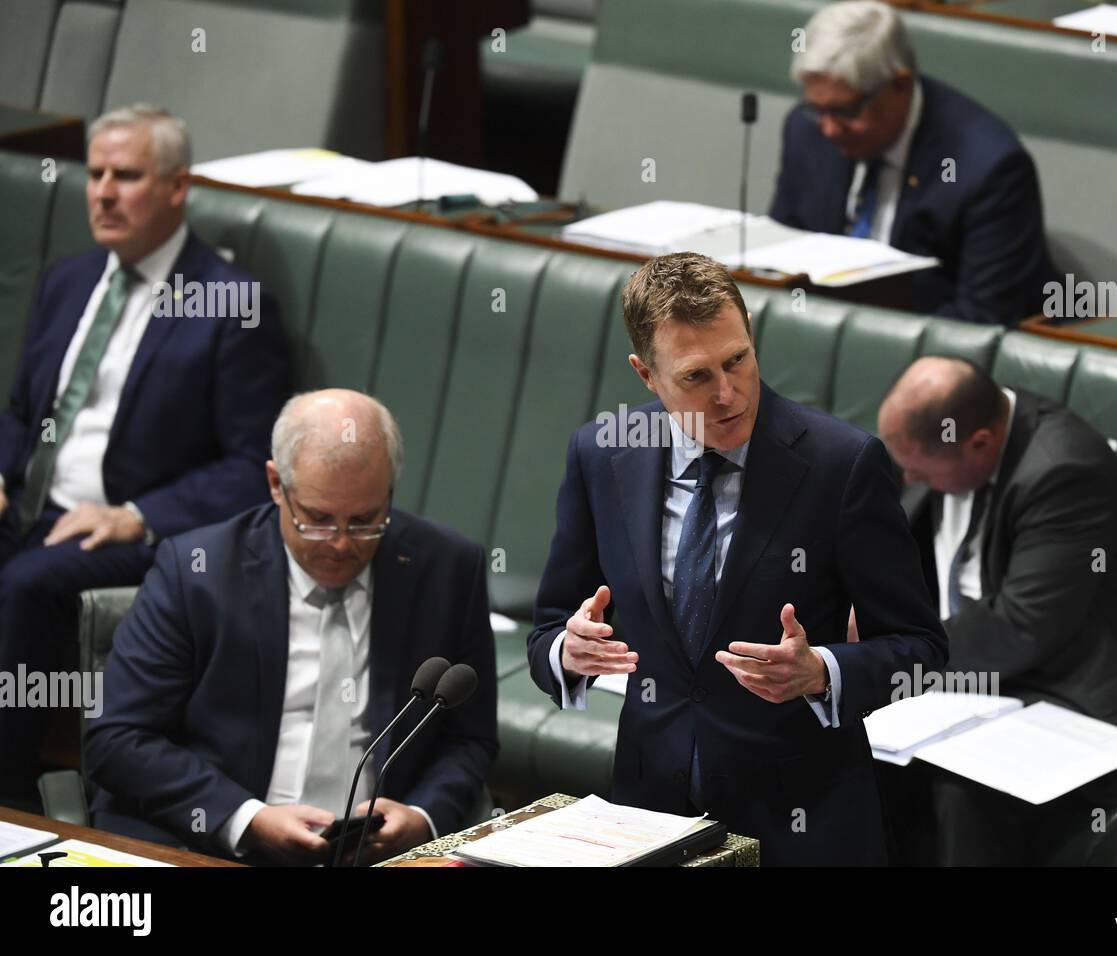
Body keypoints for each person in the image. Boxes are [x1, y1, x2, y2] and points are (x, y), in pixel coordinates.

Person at [526, 252, 946, 865]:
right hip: (651, 816)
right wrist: (571, 651)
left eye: (738, 360)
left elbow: (922, 648)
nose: (728, 394)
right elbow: (549, 629)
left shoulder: (842, 465)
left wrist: (821, 671)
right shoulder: (602, 455)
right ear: (646, 374)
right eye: (696, 376)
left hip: (803, 822)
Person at [0, 104, 289, 805]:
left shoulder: (232, 305)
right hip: (29, 507)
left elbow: (252, 464)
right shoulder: (68, 280)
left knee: (26, 584)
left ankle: (7, 798)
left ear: (176, 186)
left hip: (128, 527)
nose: (102, 191)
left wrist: (136, 515)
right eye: (95, 173)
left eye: (125, 176)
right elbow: (20, 414)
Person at [84, 391, 498, 865]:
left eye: (365, 521)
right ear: (276, 484)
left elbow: (470, 738)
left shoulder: (447, 569)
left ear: (389, 493)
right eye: (318, 520)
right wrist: (247, 818)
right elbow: (116, 739)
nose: (342, 545)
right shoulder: (195, 571)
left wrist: (421, 816)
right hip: (214, 847)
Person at [874, 355, 1117, 864]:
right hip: (975, 684)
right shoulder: (965, 426)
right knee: (847, 750)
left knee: (967, 787)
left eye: (917, 468)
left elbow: (1022, 627)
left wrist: (898, 652)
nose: (906, 476)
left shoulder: (1063, 472)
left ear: (980, 445)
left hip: (1074, 691)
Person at [770, 1, 1057, 326]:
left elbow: (982, 320)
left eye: (846, 111)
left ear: (900, 85)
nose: (829, 129)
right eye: (816, 109)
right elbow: (780, 258)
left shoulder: (988, 168)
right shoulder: (806, 131)